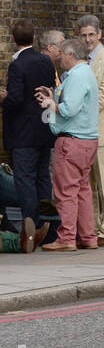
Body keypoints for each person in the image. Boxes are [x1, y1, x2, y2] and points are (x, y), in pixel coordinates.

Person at [33, 38, 98, 251]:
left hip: (72, 140)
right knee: (82, 190)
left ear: (71, 54)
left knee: (65, 191)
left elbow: (69, 109)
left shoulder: (77, 76)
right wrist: (54, 95)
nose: (59, 58)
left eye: (61, 54)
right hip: (87, 139)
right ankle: (88, 236)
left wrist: (51, 104)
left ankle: (67, 238)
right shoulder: (85, 73)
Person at [1, 20, 56, 249]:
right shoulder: (45, 61)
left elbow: (16, 99)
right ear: (33, 38)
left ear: (14, 39)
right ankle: (49, 227)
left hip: (23, 133)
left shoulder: (18, 65)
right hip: (43, 128)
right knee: (43, 178)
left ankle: (30, 225)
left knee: (24, 180)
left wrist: (4, 97)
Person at [78, 15, 104, 246]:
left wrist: (77, 107)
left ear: (100, 34)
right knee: (88, 185)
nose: (88, 39)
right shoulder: (80, 59)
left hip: (103, 131)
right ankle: (92, 228)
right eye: (84, 35)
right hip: (84, 132)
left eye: (91, 35)